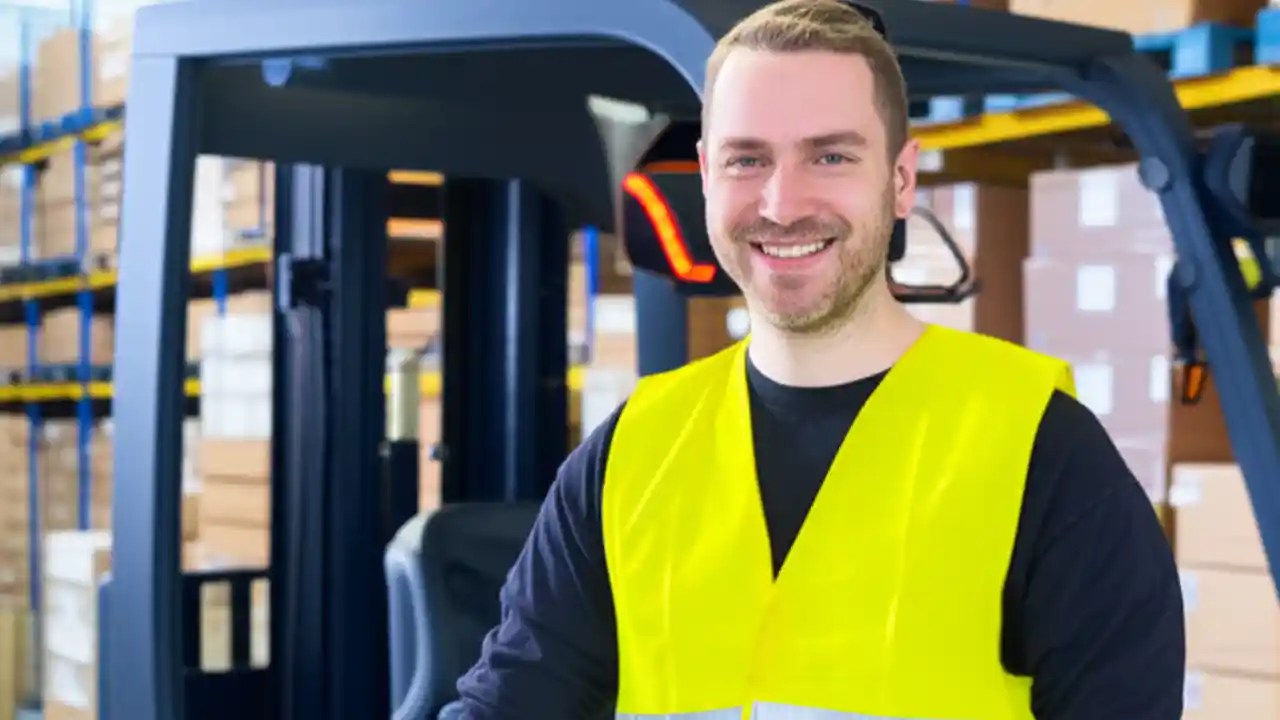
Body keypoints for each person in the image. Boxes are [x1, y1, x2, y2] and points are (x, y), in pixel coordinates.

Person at [455, 0, 1185, 717]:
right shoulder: (630, 455)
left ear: (900, 181)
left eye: (829, 155)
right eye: (748, 159)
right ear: (707, 174)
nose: (782, 202)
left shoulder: (1039, 450)